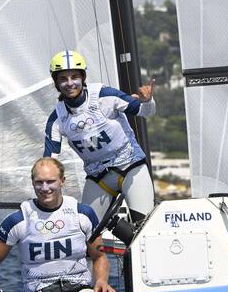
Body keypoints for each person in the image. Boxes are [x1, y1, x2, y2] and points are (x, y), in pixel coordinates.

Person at [0, 157, 117, 292]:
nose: (45, 188)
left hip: (81, 288)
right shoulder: (17, 221)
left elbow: (99, 257)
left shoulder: (83, 214)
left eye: (51, 181)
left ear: (62, 181)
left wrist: (102, 281)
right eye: (39, 182)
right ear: (33, 183)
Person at [45, 50, 157, 226]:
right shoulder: (57, 119)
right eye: (63, 79)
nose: (69, 83)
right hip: (98, 178)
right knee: (84, 233)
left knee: (145, 228)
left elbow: (145, 112)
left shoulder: (105, 96)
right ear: (56, 83)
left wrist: (148, 101)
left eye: (74, 76)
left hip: (130, 167)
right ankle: (114, 231)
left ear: (83, 77)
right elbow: (49, 162)